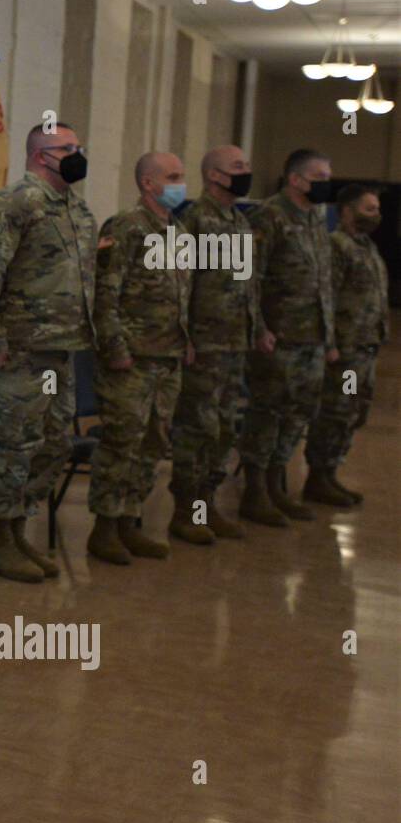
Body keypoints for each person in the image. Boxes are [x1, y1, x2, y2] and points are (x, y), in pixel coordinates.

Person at [0, 121, 97, 582]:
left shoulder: (74, 209)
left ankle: (17, 529)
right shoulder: (11, 203)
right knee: (13, 448)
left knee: (52, 445)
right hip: (16, 351)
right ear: (41, 155)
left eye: (79, 146)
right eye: (68, 148)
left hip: (60, 350)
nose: (78, 154)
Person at [86, 152, 191, 564]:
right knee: (121, 443)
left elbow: (180, 296)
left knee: (152, 444)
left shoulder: (178, 231)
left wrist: (186, 341)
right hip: (131, 360)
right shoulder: (125, 228)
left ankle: (130, 521)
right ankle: (105, 529)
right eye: (174, 176)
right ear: (148, 183)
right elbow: (105, 292)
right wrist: (114, 348)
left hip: (167, 358)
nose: (182, 184)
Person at [169, 145, 269, 544]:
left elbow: (249, 284)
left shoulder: (239, 222)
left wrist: (258, 327)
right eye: (237, 167)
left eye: (246, 164)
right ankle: (184, 512)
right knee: (199, 429)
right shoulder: (195, 220)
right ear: (213, 175)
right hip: (205, 344)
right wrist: (184, 335)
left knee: (225, 429)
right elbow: (179, 283)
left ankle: (206, 506)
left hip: (234, 342)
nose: (245, 172)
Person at [238, 148, 336, 526]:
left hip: (311, 337)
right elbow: (250, 277)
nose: (326, 185)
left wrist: (328, 338)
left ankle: (277, 484)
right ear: (296, 179)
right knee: (267, 412)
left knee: (297, 414)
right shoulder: (269, 215)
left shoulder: (315, 217)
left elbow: (323, 282)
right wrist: (259, 328)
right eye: (320, 177)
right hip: (278, 338)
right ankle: (255, 490)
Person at [303, 184, 390, 505]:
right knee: (335, 412)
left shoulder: (366, 246)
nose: (376, 215)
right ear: (348, 211)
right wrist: (330, 344)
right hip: (346, 349)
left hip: (366, 347)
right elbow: (326, 297)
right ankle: (317, 476)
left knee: (354, 412)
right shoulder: (337, 247)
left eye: (377, 209)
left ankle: (330, 473)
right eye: (369, 209)